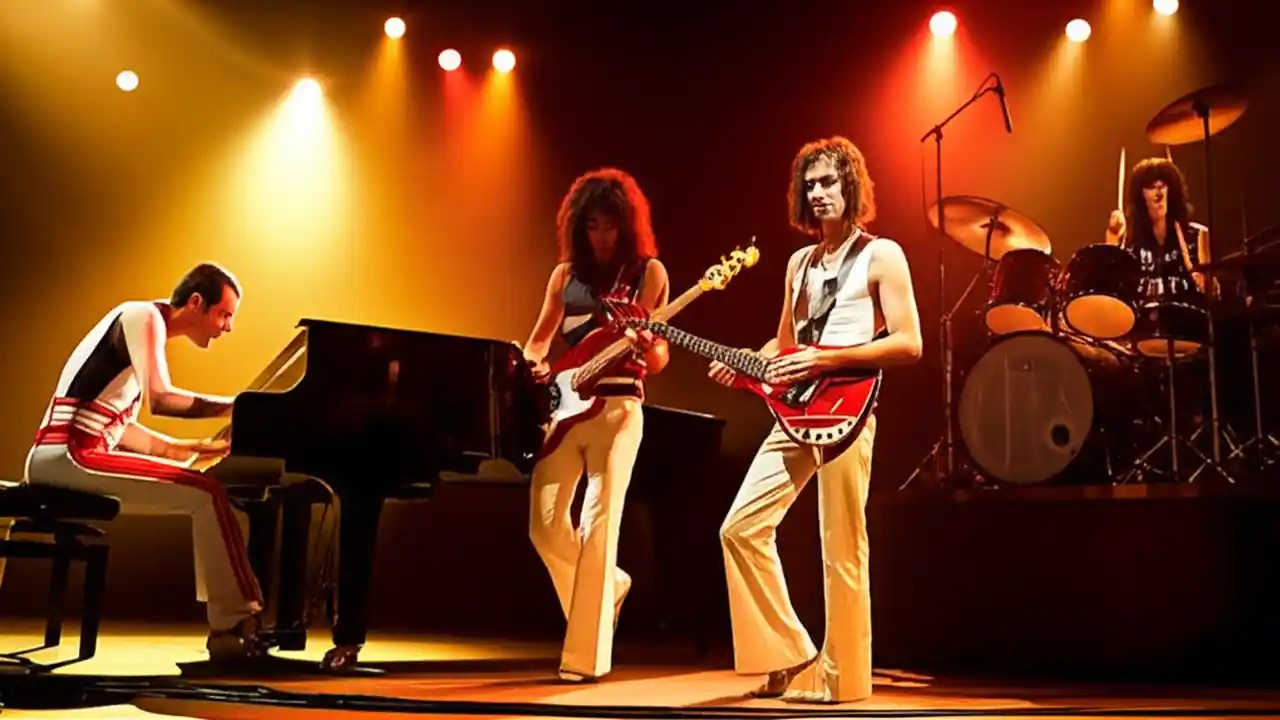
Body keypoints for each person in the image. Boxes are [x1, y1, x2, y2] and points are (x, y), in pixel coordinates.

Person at [710, 136, 922, 704]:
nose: (819, 193)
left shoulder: (883, 254)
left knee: (841, 545)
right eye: (810, 185)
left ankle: (844, 680)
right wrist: (746, 365)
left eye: (829, 182)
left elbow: (909, 343)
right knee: (740, 527)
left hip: (850, 411)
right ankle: (791, 654)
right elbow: (785, 346)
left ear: (851, 186)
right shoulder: (798, 263)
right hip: (798, 410)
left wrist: (830, 358)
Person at [22, 262, 265, 661]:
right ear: (196, 302)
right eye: (224, 314)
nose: (228, 327)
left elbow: (120, 426)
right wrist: (242, 408)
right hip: (69, 455)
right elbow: (162, 399)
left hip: (70, 453)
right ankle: (235, 626)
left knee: (214, 502)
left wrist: (183, 449)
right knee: (206, 495)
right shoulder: (143, 315)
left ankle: (229, 625)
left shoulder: (142, 328)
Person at [522, 168, 670, 682]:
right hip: (565, 410)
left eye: (609, 226)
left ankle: (585, 659)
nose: (601, 236)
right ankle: (611, 586)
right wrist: (533, 363)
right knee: (544, 527)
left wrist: (648, 347)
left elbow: (659, 357)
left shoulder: (648, 273)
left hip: (618, 410)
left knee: (598, 525)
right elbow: (539, 338)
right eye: (592, 226)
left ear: (626, 226)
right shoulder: (564, 276)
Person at [1105, 156, 1214, 306]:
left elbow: (1211, 295)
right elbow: (1112, 290)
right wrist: (1112, 238)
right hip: (1142, 325)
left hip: (1186, 323)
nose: (1159, 195)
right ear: (1141, 195)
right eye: (1151, 187)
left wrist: (1205, 281)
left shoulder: (1196, 235)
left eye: (1163, 186)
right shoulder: (1128, 240)